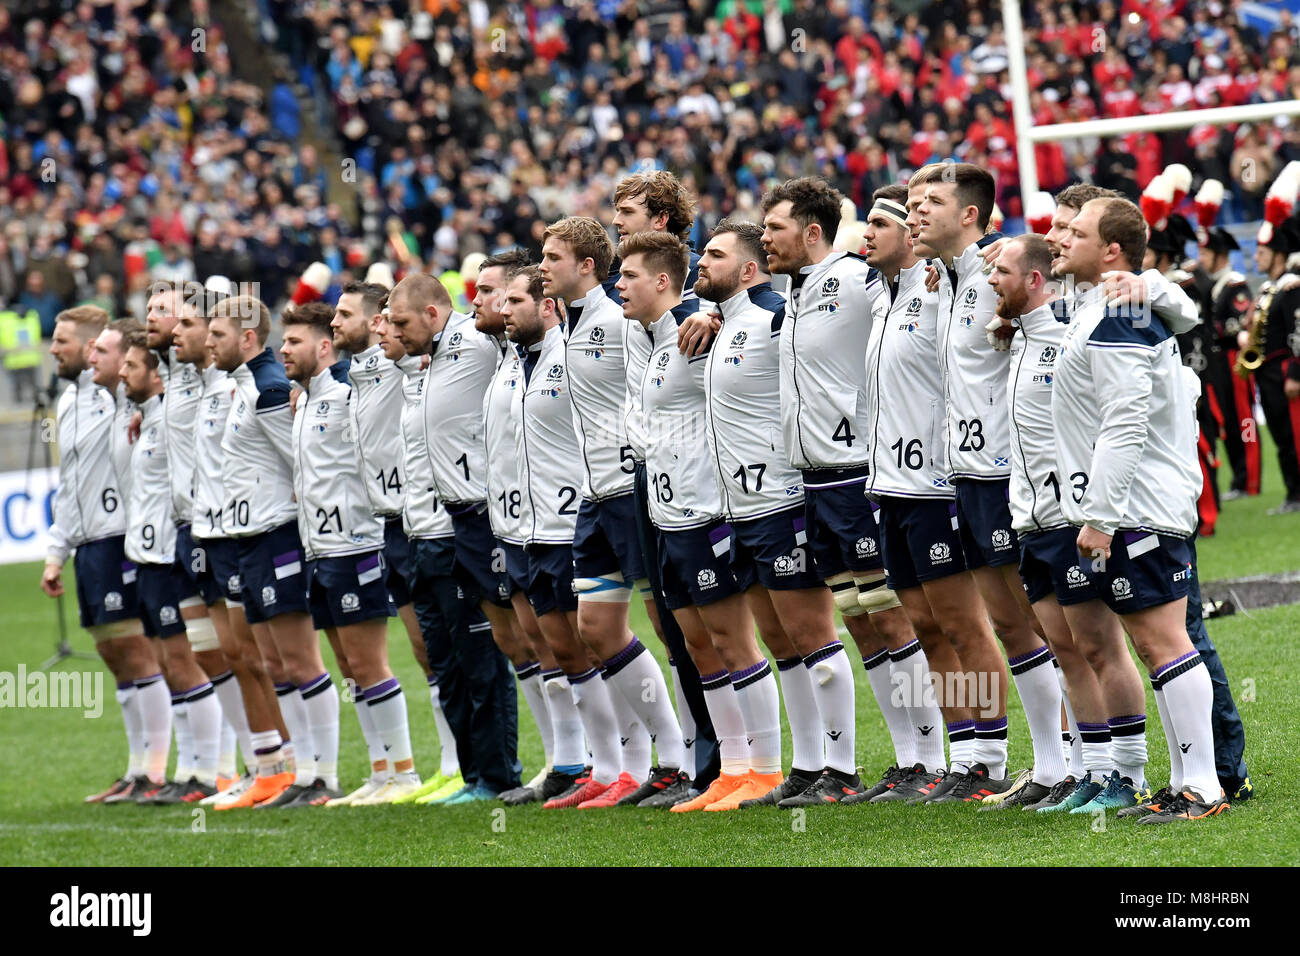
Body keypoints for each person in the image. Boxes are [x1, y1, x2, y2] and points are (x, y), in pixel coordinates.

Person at [1052, 196, 1228, 823]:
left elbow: (1125, 423)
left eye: (1075, 231)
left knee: (1163, 639)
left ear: (1111, 251)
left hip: (1139, 504)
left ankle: (1201, 786)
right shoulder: (1103, 305)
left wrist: (1101, 515)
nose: (1060, 238)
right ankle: (1183, 781)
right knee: (1154, 643)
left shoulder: (1121, 313)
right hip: (1133, 502)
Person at [616, 230, 782, 812]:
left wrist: (711, 317)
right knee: (697, 644)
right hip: (667, 515)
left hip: (707, 509)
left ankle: (765, 768)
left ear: (663, 280)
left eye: (629, 276)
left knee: (733, 641)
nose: (619, 285)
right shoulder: (656, 339)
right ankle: (731, 770)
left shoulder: (700, 329)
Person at [915, 162, 1065, 803]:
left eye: (930, 202)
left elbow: (1061, 314)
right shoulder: (941, 280)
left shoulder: (1001, 270)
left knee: (1045, 621)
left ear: (970, 214)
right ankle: (1047, 765)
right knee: (1002, 623)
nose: (917, 212)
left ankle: (1087, 760)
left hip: (1008, 474)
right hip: (960, 476)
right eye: (911, 204)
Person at [539, 216, 686, 806]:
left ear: (586, 266)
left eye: (552, 257)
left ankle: (685, 760)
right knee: (595, 630)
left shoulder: (618, 318)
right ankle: (639, 764)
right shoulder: (569, 325)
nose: (542, 266)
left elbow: (670, 339)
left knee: (672, 627)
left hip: (632, 493)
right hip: (593, 495)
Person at [857, 183, 986, 805]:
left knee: (966, 626)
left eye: (881, 224)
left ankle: (988, 757)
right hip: (890, 488)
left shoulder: (939, 291)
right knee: (927, 629)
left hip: (936, 486)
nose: (868, 235)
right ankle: (951, 758)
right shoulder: (878, 296)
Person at [385, 273, 522, 802]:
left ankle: (499, 774)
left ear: (432, 313)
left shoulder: (479, 341)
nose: (395, 331)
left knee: (480, 659)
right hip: (424, 530)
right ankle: (471, 775)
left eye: (401, 322)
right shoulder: (427, 361)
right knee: (445, 662)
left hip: (466, 525)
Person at [331, 280, 464, 803]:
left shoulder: (402, 364)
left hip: (422, 520)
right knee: (425, 651)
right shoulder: (356, 376)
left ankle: (462, 766)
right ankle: (442, 766)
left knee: (449, 648)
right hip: (389, 524)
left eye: (346, 314)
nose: (336, 322)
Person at [283, 301, 417, 807]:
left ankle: (404, 772)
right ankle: (380, 772)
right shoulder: (306, 400)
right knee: (347, 665)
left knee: (368, 661)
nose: (283, 350)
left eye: (294, 342)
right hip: (319, 549)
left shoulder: (347, 391)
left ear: (323, 347)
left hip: (356, 543)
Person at [209, 295, 333, 810]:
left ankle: (323, 776)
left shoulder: (267, 388)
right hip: (250, 539)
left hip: (278, 535)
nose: (210, 343)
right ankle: (300, 773)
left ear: (246, 339)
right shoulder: (244, 385)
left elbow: (300, 461)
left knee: (299, 660)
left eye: (218, 334)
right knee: (273, 662)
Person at [42, 307, 168, 805]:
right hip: (87, 545)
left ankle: (156, 770)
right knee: (115, 657)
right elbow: (69, 484)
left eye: (64, 341)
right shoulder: (69, 401)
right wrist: (57, 551)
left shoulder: (116, 395)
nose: (55, 349)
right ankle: (137, 768)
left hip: (119, 537)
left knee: (138, 653)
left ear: (94, 346)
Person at [473, 252, 583, 807]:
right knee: (537, 643)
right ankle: (566, 760)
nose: (495, 305)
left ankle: (612, 759)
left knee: (582, 643)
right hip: (513, 523)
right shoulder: (508, 360)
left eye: (507, 296)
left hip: (563, 520)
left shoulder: (571, 349)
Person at [146, 283, 250, 799]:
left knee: (244, 653)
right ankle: (239, 768)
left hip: (223, 528)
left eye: (167, 314)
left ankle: (273, 762)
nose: (154, 319)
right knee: (208, 654)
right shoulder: (172, 374)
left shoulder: (223, 380)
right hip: (185, 530)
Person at [119, 329, 224, 803]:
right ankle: (191, 769)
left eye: (131, 365)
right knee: (171, 664)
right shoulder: (146, 420)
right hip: (148, 555)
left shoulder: (173, 418)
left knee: (187, 662)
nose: (123, 373)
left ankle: (211, 770)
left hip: (169, 552)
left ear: (158, 376)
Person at [1248, 220, 1300, 514]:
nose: (1256, 257)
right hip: (1266, 373)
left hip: (1283, 371)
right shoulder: (1270, 288)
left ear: (1278, 254)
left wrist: (1294, 372)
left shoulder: (1291, 286)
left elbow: (1297, 330)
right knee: (1281, 435)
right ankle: (1292, 492)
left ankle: (1296, 493)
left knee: (1291, 435)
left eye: (1262, 252)